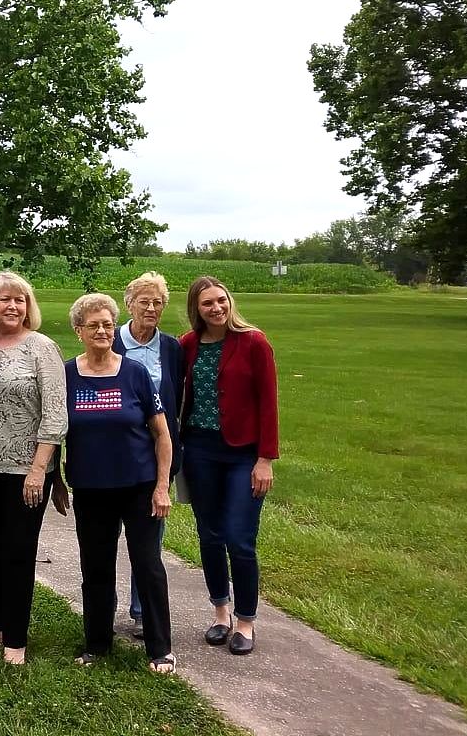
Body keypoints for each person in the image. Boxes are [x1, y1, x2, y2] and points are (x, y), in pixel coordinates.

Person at [58, 293, 175, 674]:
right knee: (95, 567)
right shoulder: (67, 374)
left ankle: (159, 649)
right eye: (93, 325)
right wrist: (56, 480)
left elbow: (161, 434)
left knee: (147, 565)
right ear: (79, 331)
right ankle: (96, 644)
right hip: (91, 489)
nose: (103, 330)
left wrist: (161, 487)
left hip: (138, 486)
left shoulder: (134, 373)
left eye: (108, 323)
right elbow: (52, 432)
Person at [0, 270, 67, 665]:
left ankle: (16, 640)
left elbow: (55, 413)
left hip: (25, 471)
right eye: (4, 299)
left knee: (18, 551)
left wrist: (39, 469)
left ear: (29, 307)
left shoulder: (42, 348)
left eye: (20, 300)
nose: (12, 306)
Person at [179, 275, 279, 657]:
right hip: (200, 451)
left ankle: (245, 620)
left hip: (242, 455)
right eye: (207, 304)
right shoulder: (188, 345)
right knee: (210, 535)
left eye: (221, 300)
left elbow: (268, 403)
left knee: (239, 538)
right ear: (197, 309)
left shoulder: (253, 342)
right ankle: (220, 612)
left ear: (229, 302)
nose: (217, 308)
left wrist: (265, 459)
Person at [113, 271, 185, 639]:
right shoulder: (109, 340)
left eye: (158, 302)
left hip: (157, 453)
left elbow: (176, 399)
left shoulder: (172, 348)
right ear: (129, 304)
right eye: (145, 301)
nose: (152, 308)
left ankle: (142, 610)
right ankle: (102, 605)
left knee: (149, 538)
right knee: (106, 535)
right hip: (114, 453)